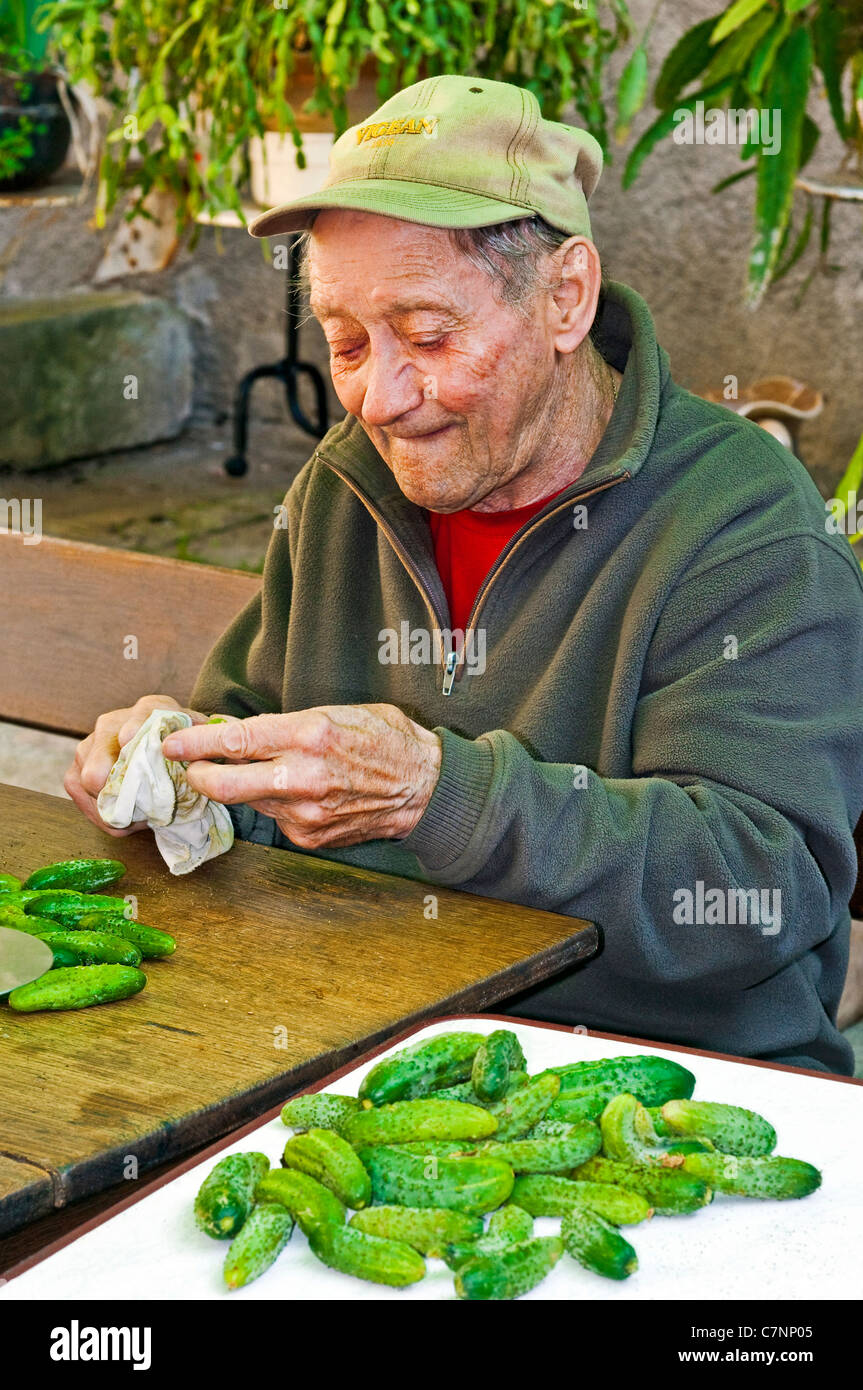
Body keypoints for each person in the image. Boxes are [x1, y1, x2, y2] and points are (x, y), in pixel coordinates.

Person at [65, 76, 863, 1074]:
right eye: (345, 341)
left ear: (565, 296)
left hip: (662, 1088)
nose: (381, 397)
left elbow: (762, 889)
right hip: (371, 1044)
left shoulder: (741, 524)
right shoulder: (343, 485)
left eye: (428, 335)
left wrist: (434, 793)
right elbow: (252, 739)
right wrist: (171, 766)